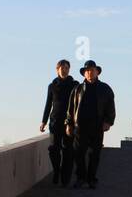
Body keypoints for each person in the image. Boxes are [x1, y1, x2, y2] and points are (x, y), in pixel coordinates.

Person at [65, 60, 115, 188]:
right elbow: (71, 108)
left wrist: (108, 121)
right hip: (80, 126)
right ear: (84, 74)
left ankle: (92, 179)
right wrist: (69, 124)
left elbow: (111, 107)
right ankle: (81, 178)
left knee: (95, 154)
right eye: (87, 71)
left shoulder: (105, 89)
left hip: (97, 126)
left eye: (92, 70)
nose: (89, 73)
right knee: (79, 153)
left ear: (97, 72)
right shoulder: (77, 89)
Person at [40, 58, 79, 186]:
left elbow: (78, 105)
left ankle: (65, 178)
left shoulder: (75, 85)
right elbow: (48, 104)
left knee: (68, 150)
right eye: (62, 68)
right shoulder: (52, 86)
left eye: (67, 68)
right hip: (55, 122)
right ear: (57, 70)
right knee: (53, 149)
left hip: (69, 123)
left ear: (69, 70)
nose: (64, 70)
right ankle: (57, 170)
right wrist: (43, 121)